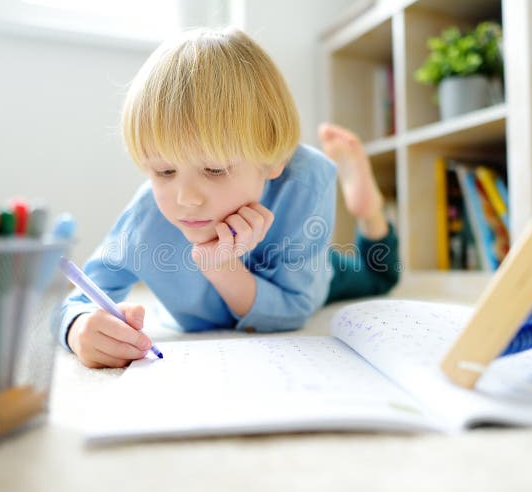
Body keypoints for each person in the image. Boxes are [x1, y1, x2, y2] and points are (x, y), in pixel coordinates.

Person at [57, 27, 399, 369]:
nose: (186, 198)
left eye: (215, 169)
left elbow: (292, 313)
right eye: (163, 171)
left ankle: (369, 210)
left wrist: (221, 267)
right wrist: (78, 329)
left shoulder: (304, 182)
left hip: (306, 267)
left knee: (377, 276)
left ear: (273, 160)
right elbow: (76, 299)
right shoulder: (147, 215)